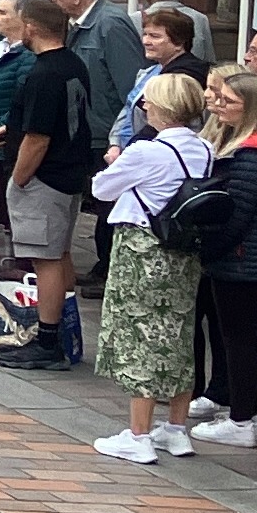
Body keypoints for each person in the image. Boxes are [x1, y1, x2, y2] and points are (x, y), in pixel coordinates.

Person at [93, 72, 215, 462]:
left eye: (148, 99)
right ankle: (176, 430)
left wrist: (115, 164)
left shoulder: (146, 151)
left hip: (142, 248)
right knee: (179, 334)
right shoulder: (204, 148)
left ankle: (139, 436)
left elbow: (101, 188)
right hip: (183, 252)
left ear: (162, 106)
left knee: (140, 335)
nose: (143, 105)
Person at [0, 0, 90, 371]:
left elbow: (38, 137)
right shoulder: (73, 64)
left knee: (44, 260)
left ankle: (48, 342)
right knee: (60, 253)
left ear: (31, 27)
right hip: (69, 173)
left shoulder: (43, 73)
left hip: (44, 178)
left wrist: (19, 178)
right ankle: (63, 329)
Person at [192, 71, 257, 448]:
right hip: (249, 257)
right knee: (240, 336)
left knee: (239, 339)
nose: (219, 106)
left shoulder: (254, 156)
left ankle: (242, 420)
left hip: (243, 259)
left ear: (252, 108)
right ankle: (246, 416)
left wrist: (208, 250)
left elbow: (237, 218)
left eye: (229, 101)